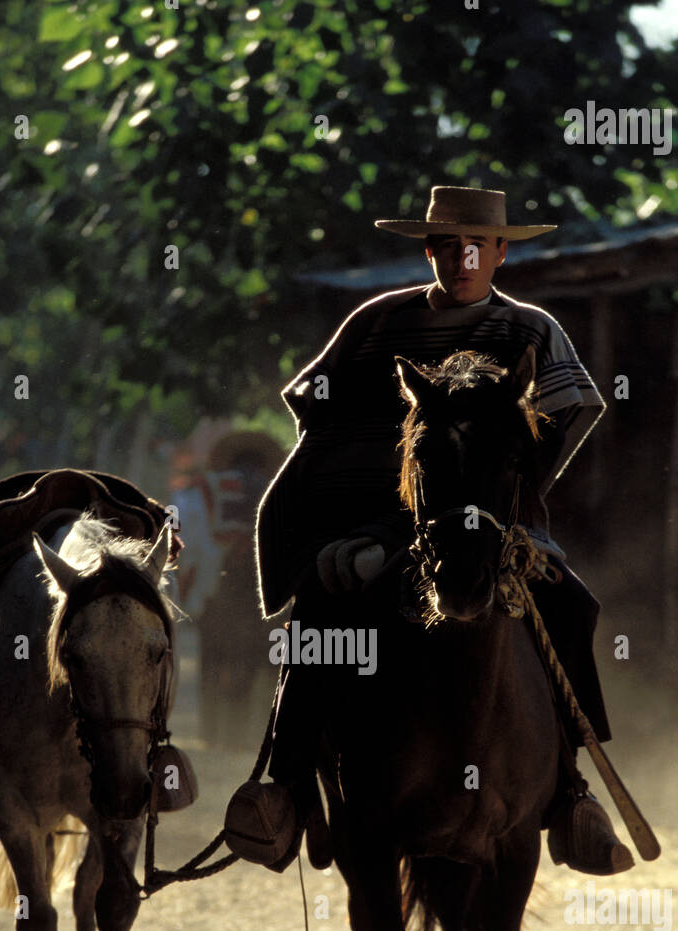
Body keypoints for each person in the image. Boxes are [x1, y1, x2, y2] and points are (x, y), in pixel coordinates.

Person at [224, 187, 633, 876]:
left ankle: (568, 792)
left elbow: (565, 421)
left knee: (571, 604)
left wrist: (514, 506)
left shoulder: (532, 332)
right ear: (429, 251)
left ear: (500, 252)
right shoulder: (375, 324)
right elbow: (326, 426)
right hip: (373, 527)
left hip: (499, 527)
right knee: (320, 612)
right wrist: (356, 523)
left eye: (477, 246)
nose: (462, 259)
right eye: (448, 245)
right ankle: (288, 784)